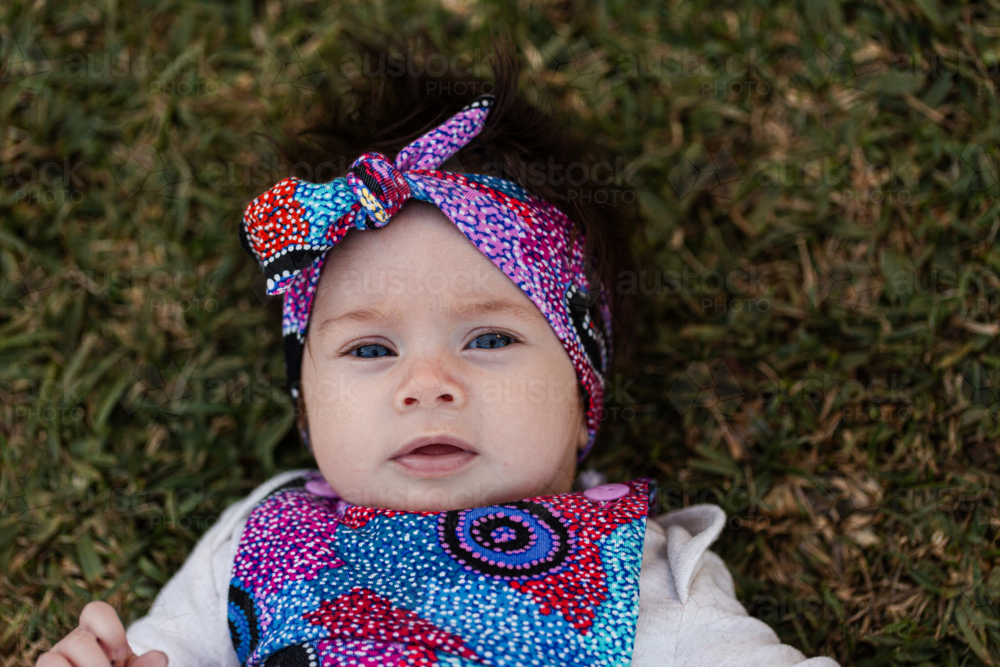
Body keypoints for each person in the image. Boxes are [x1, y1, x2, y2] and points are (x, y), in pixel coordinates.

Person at [36, 38, 841, 667]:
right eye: (370, 348)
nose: (428, 384)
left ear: (582, 390)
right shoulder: (258, 534)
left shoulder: (636, 576)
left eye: (489, 338)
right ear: (306, 402)